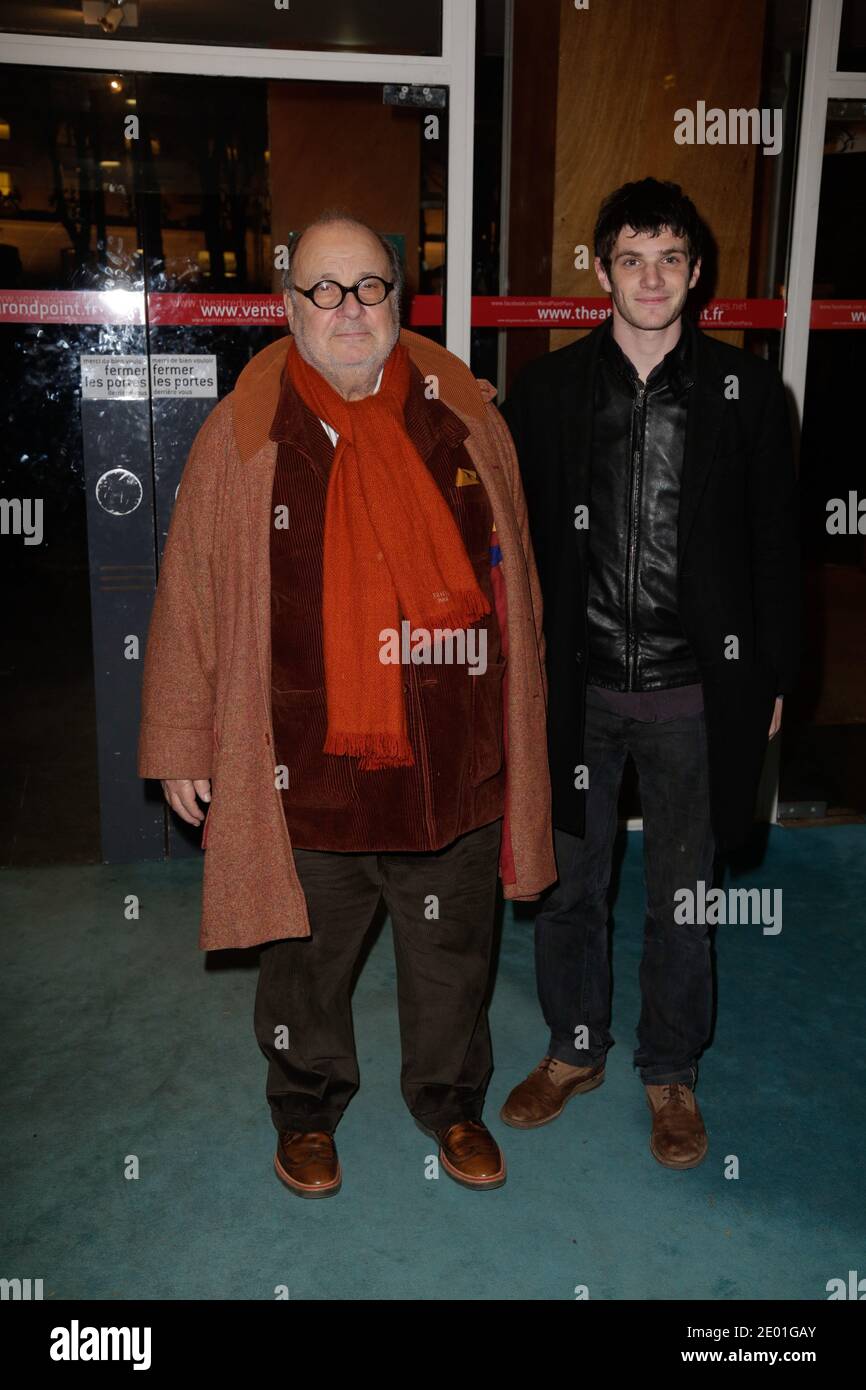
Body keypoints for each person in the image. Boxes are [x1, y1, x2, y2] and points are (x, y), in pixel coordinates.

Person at [137, 212, 555, 1198]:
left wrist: (523, 736)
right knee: (303, 970)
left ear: (395, 299)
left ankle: (451, 1102)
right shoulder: (243, 435)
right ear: (289, 307)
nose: (346, 309)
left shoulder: (463, 417)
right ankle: (306, 1107)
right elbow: (190, 592)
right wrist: (185, 739)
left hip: (449, 769)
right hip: (303, 776)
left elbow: (517, 591)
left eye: (366, 286)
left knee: (452, 960)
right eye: (323, 290)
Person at [498, 178, 799, 1169]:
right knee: (566, 887)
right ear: (599, 271)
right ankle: (574, 1046)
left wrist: (770, 682)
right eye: (630, 258)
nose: (650, 277)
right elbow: (514, 545)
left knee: (685, 896)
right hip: (577, 689)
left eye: (669, 257)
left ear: (695, 272)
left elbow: (774, 551)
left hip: (691, 693)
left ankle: (669, 1069)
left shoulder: (747, 395)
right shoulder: (542, 393)